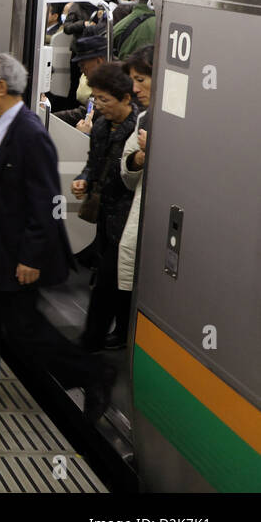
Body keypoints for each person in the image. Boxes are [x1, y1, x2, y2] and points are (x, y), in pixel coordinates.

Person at [0, 53, 115, 422]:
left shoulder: (30, 135)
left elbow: (46, 202)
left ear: (0, 87)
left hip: (11, 253)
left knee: (25, 333)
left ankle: (93, 374)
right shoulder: (1, 125)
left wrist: (31, 257)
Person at [70, 62, 138, 352]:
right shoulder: (100, 126)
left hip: (124, 218)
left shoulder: (138, 130)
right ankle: (118, 333)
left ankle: (93, 340)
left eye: (104, 100)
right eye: (95, 98)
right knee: (111, 277)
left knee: (110, 281)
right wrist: (84, 179)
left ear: (125, 99)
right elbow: (92, 164)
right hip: (104, 214)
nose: (98, 105)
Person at [116, 46, 154, 332]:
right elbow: (127, 176)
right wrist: (140, 156)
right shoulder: (143, 120)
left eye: (141, 79)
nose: (135, 87)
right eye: (133, 79)